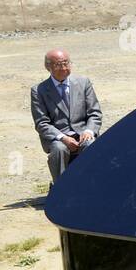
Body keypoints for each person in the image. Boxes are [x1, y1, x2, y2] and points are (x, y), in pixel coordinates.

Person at [31, 49, 102, 181]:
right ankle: (61, 189)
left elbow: (95, 112)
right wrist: (63, 137)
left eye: (66, 63)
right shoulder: (39, 90)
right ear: (48, 67)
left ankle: (93, 184)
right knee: (59, 149)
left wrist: (89, 131)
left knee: (91, 145)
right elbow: (41, 123)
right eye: (58, 64)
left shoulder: (83, 82)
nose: (64, 68)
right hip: (58, 137)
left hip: (82, 133)